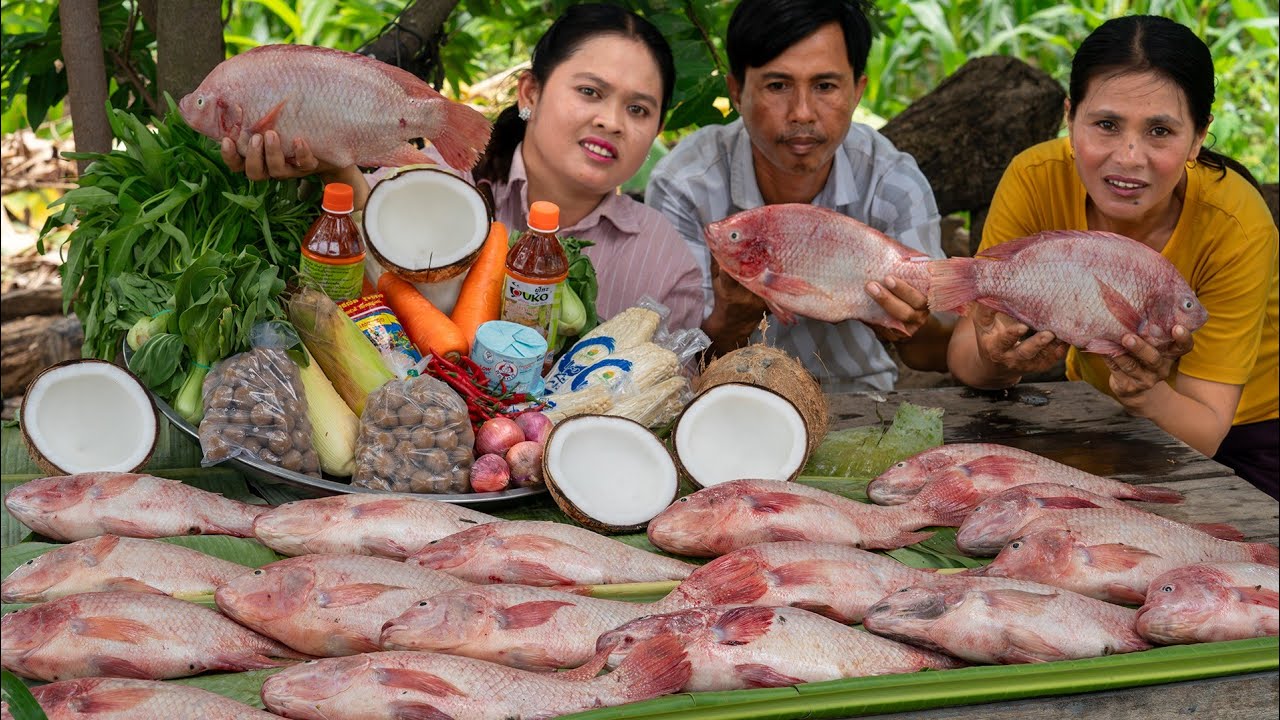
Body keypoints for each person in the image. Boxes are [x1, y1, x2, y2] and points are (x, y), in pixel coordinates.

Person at [946, 15, 1279, 498]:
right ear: (1069, 117)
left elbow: (1207, 430)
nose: (1128, 157)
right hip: (1100, 412)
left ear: (1200, 136)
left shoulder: (1238, 225)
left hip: (1246, 434)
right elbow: (966, 356)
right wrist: (999, 360)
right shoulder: (1034, 178)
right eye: (1105, 124)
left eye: (1160, 131)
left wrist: (1147, 391)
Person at [222, 3, 706, 332]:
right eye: (590, 92)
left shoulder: (667, 263)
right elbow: (368, 240)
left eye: (639, 110)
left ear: (659, 127)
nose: (611, 121)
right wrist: (332, 168)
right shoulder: (429, 177)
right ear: (530, 93)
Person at [646, 0, 950, 393]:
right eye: (778, 85)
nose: (802, 112)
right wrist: (733, 317)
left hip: (857, 395)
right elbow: (675, 360)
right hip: (725, 401)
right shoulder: (685, 182)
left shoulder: (892, 180)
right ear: (737, 91)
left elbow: (935, 352)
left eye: (825, 86)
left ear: (858, 90)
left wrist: (906, 322)